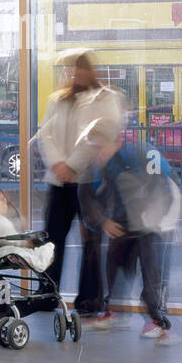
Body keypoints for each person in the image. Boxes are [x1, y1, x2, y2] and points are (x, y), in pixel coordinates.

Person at [36, 49, 125, 317]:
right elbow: (45, 134)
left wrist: (71, 164)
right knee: (52, 241)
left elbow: (101, 136)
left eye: (77, 68)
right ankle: (47, 294)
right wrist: (57, 164)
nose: (73, 73)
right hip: (59, 183)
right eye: (69, 69)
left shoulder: (107, 100)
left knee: (91, 244)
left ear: (89, 70)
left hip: (89, 183)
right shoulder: (57, 100)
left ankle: (89, 301)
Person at [79, 126, 181, 345]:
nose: (97, 155)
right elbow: (87, 195)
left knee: (150, 267)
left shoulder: (140, 153)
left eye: (100, 148)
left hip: (156, 214)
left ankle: (156, 321)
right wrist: (102, 220)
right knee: (114, 262)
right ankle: (113, 312)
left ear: (115, 141)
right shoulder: (99, 164)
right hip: (125, 215)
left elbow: (164, 187)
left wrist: (153, 216)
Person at [0, 189, 55, 272]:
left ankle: (41, 256)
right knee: (23, 253)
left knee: (25, 252)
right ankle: (40, 261)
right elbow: (10, 237)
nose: (4, 203)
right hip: (1, 249)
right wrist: (25, 242)